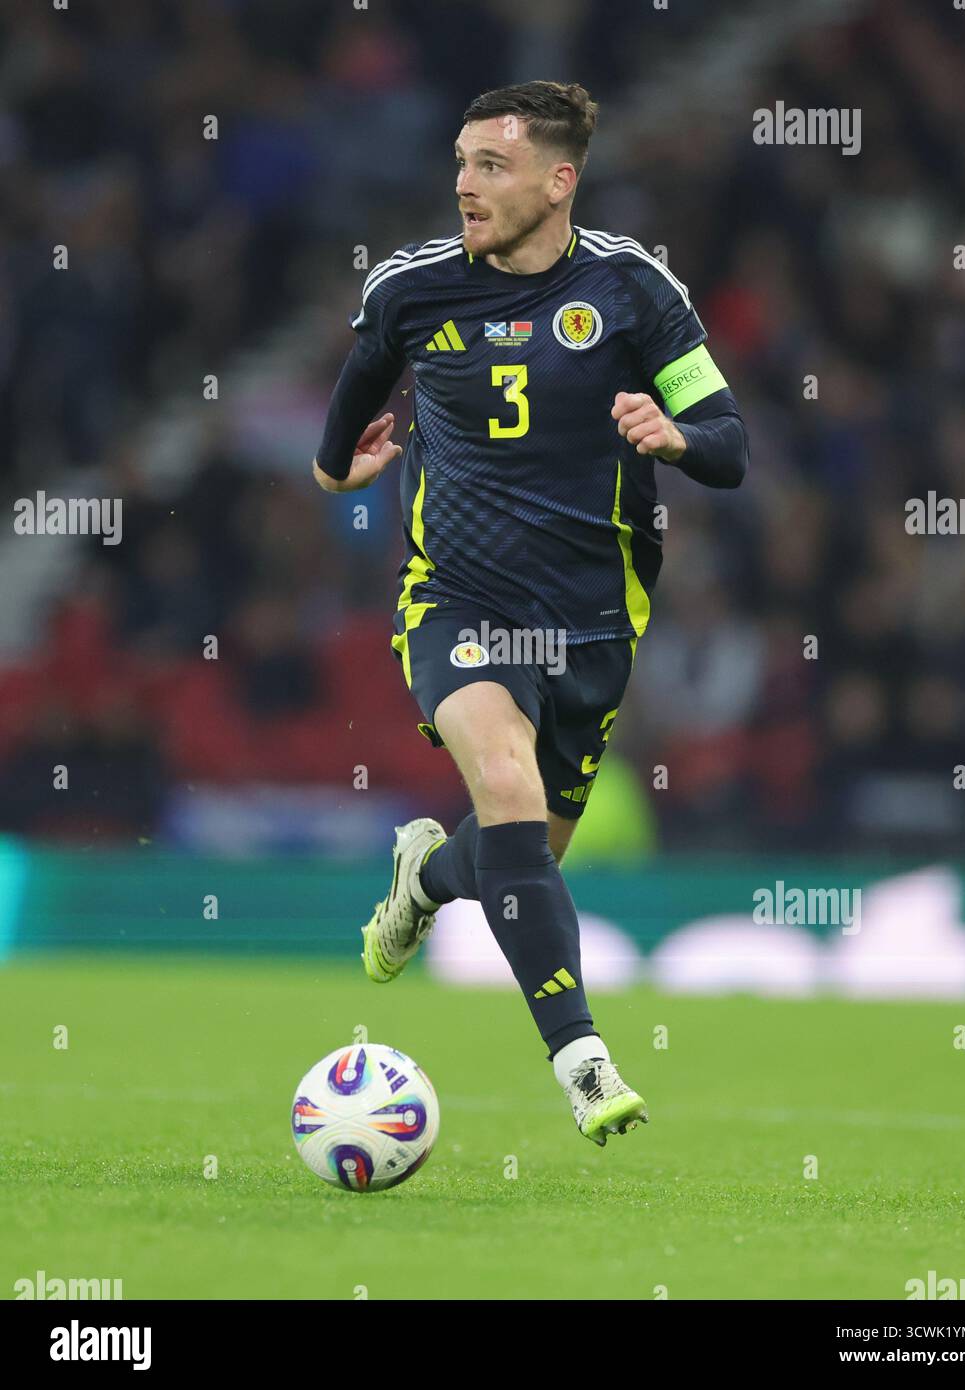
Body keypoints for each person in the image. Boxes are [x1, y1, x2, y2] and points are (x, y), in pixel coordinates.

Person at [313, 81, 748, 1145]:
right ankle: (584, 1061)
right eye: (461, 162)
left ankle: (425, 877)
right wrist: (338, 473)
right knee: (501, 786)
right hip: (458, 598)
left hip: (593, 624)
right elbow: (349, 406)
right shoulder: (409, 290)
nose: (465, 183)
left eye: (492, 167)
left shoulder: (634, 289)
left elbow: (729, 440)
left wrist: (675, 437)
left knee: (516, 851)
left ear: (558, 182)